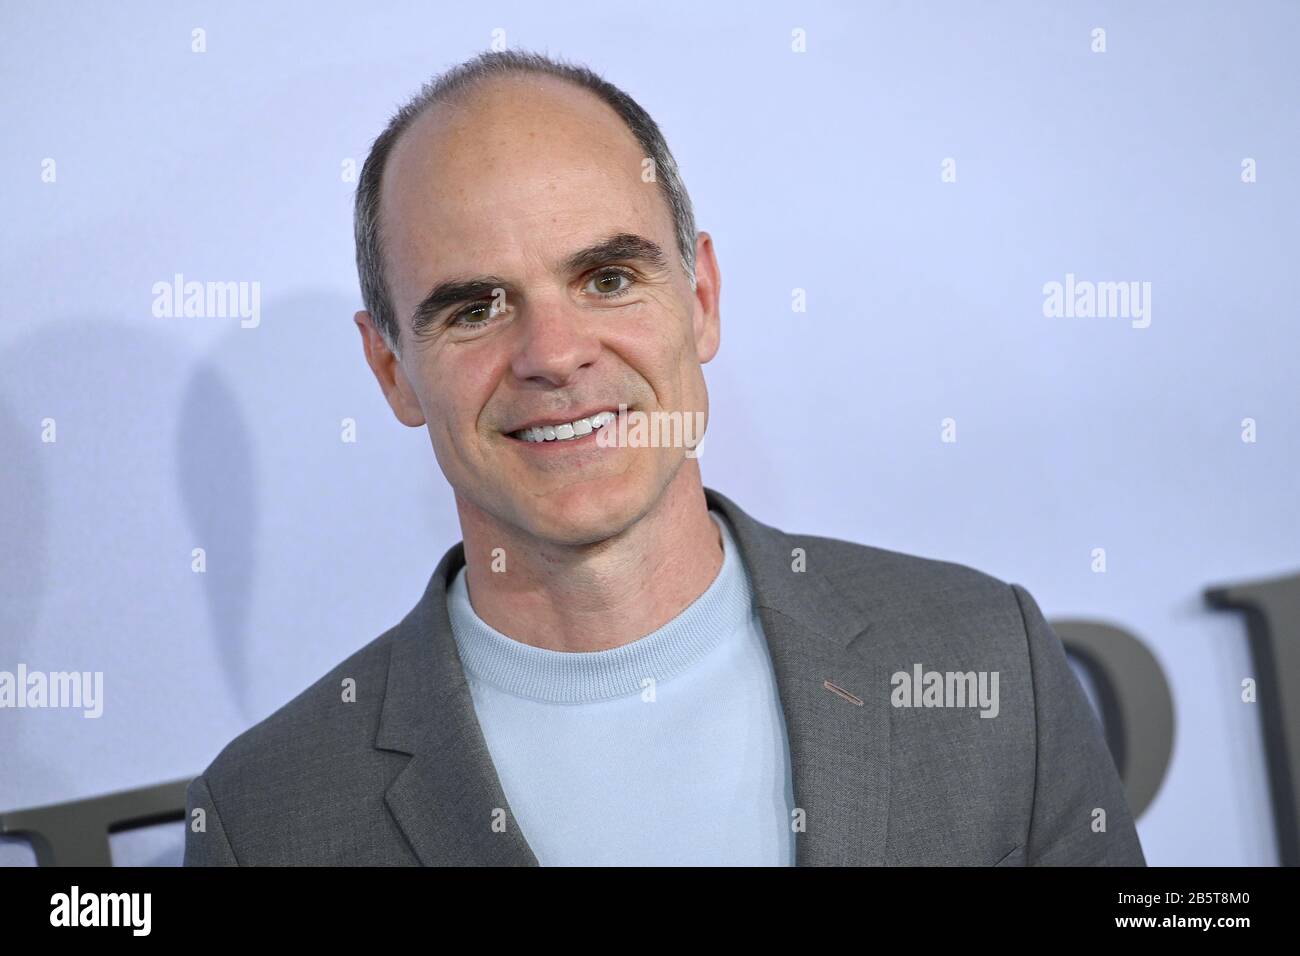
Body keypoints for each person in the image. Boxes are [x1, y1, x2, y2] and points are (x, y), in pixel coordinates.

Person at [184, 49, 1145, 866]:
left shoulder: (983, 659)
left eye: (607, 278)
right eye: (475, 308)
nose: (554, 355)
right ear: (391, 369)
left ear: (703, 299)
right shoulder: (268, 821)